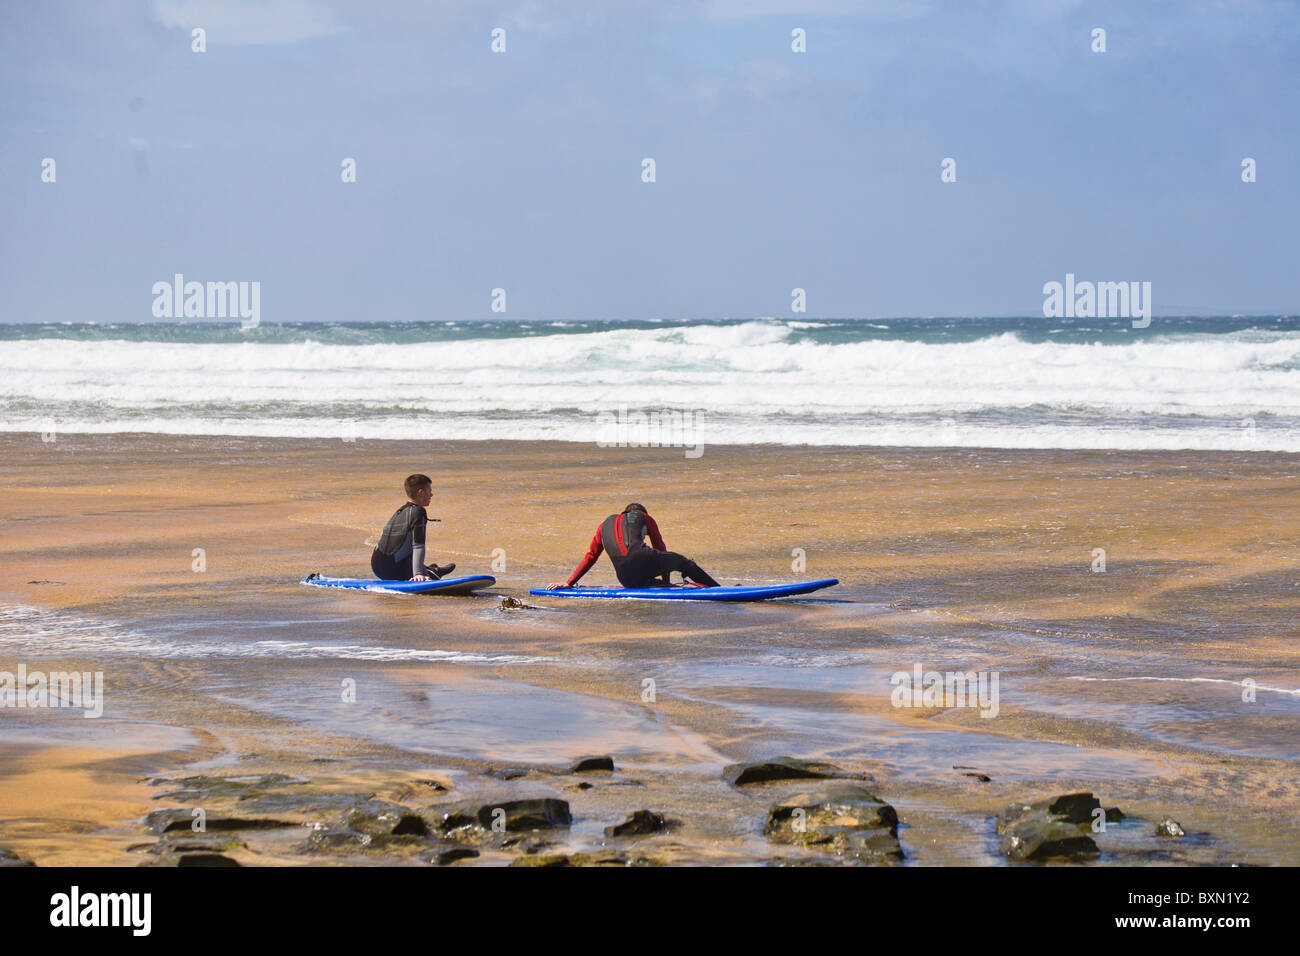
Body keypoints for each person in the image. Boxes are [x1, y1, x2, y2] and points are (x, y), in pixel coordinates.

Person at [548, 503, 719, 590]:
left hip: (626, 579)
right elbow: (660, 548)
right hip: (644, 560)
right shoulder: (644, 516)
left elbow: (590, 556)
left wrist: (569, 583)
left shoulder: (603, 525)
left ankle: (653, 583)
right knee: (684, 563)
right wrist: (667, 583)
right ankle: (716, 589)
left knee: (643, 576)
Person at [371, 474, 456, 581]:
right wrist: (418, 574)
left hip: (376, 566)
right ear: (421, 493)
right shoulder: (418, 512)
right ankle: (433, 571)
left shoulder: (400, 511)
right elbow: (418, 546)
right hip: (393, 569)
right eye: (429, 491)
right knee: (433, 578)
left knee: (405, 549)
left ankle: (431, 569)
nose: (432, 494)